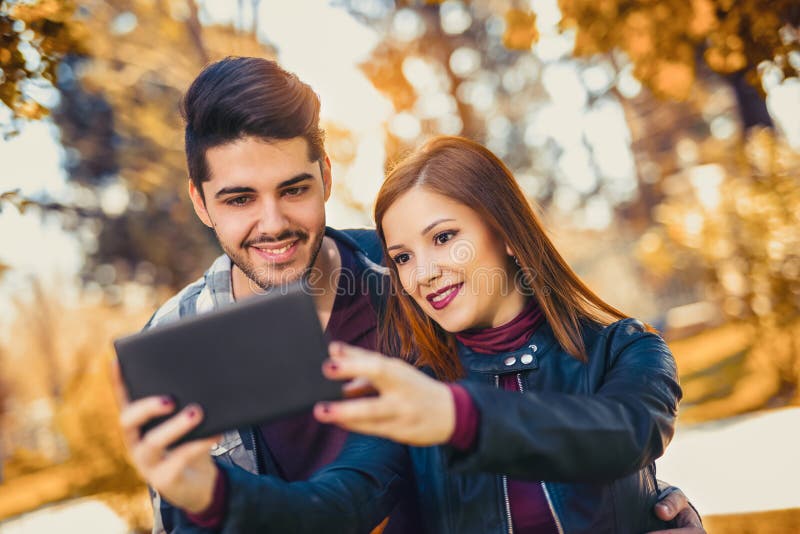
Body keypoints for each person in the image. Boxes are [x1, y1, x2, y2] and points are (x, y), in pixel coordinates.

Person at [114, 57, 704, 533]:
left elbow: (619, 434)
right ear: (201, 202)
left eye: (293, 189)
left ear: (325, 174)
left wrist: (645, 500)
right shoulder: (174, 343)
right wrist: (213, 498)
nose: (272, 223)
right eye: (240, 199)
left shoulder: (435, 346)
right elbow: (340, 502)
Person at [312, 135, 688, 532]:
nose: (423, 274)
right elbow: (337, 502)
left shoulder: (628, 348)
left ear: (506, 232)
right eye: (403, 257)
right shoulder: (419, 391)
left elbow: (624, 436)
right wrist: (239, 496)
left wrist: (461, 417)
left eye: (443, 238)